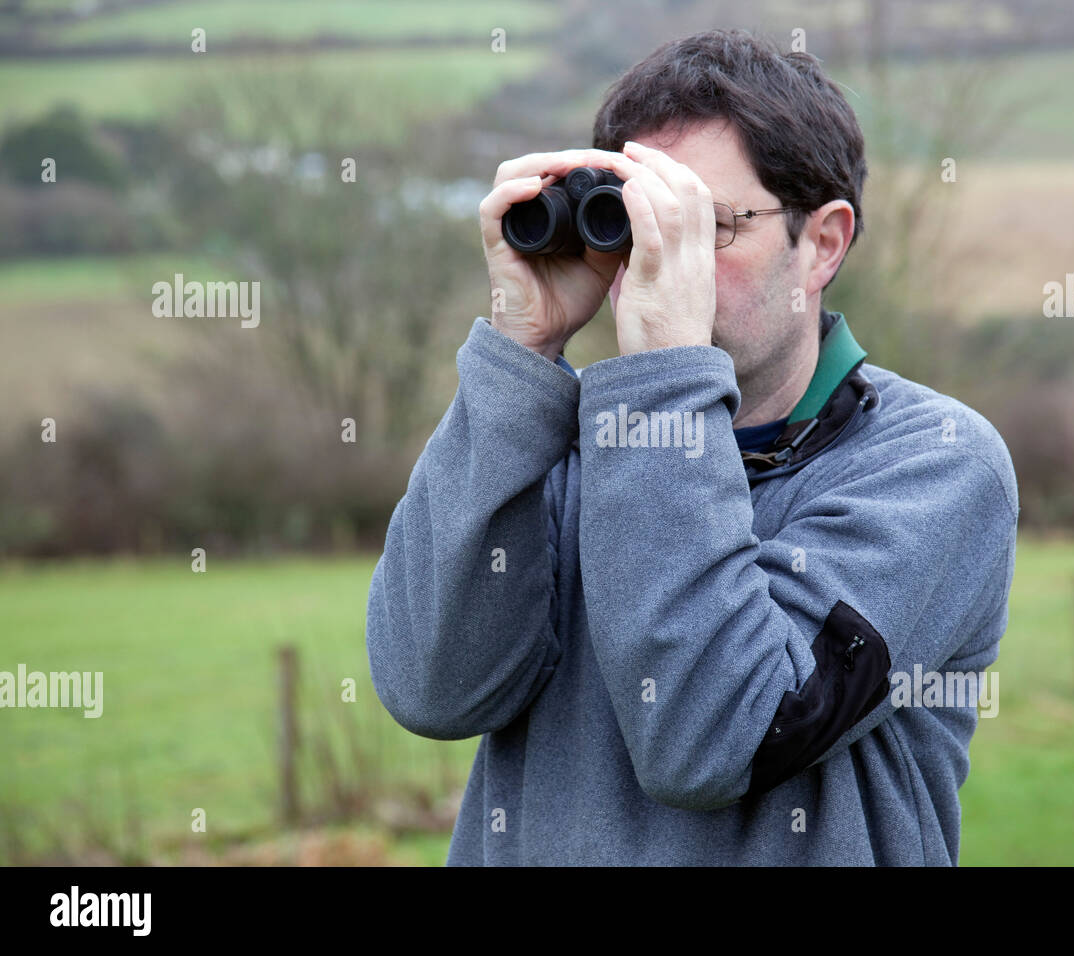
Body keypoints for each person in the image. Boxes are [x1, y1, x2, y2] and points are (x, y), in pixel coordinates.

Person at [365, 28, 1018, 865]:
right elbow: (433, 689)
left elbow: (714, 738)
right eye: (639, 224)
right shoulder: (557, 443)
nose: (661, 262)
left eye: (702, 226)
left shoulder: (933, 463)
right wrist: (517, 359)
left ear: (821, 243)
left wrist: (668, 374)